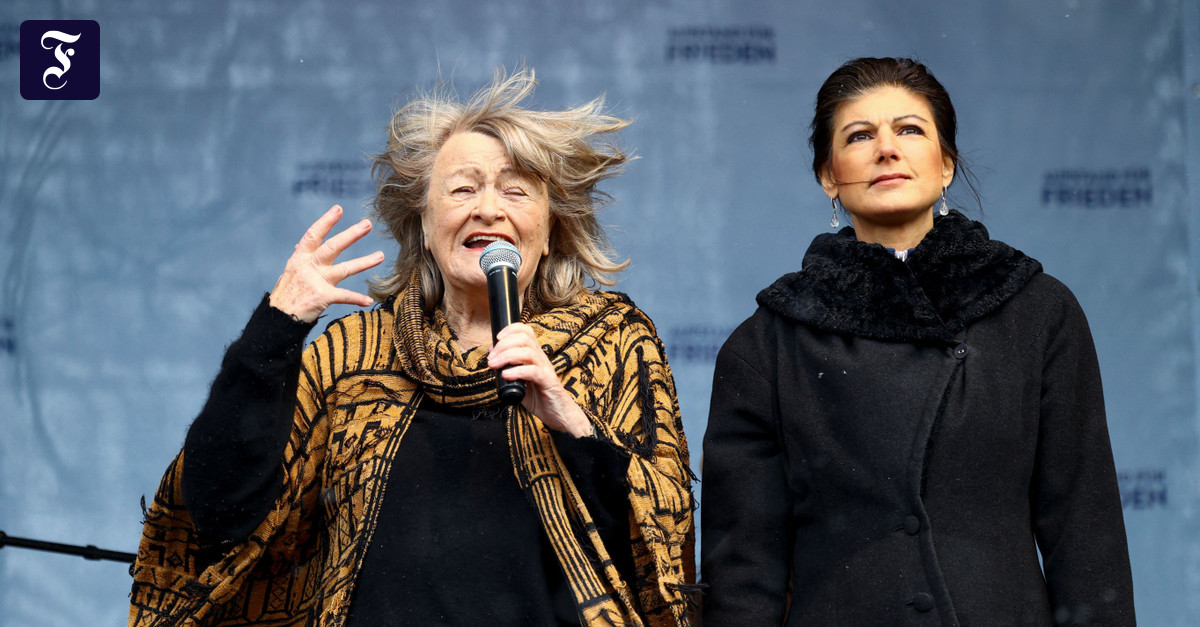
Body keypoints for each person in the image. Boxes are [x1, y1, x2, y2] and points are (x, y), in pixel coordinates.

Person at [129, 69, 696, 627]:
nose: (489, 209)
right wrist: (275, 327)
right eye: (463, 188)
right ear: (423, 225)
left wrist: (571, 422)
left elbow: (662, 542)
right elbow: (219, 511)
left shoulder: (614, 342)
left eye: (516, 191)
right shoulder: (352, 356)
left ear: (550, 234)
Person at [700, 57, 1134, 626]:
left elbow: (1085, 537)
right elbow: (742, 577)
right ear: (828, 175)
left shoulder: (1037, 311)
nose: (886, 149)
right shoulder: (766, 345)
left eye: (909, 129)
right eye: (859, 136)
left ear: (946, 164)